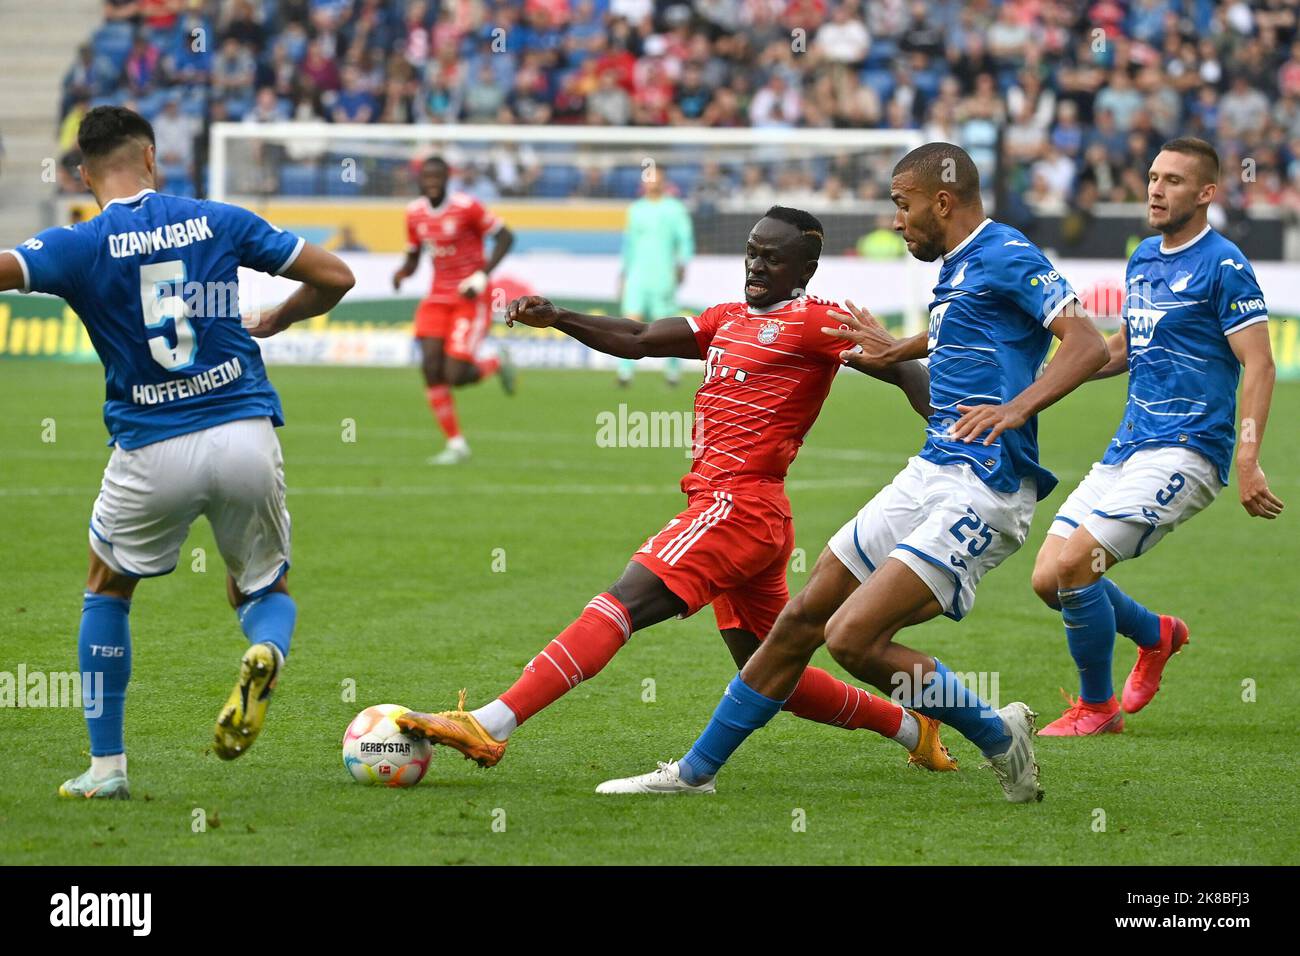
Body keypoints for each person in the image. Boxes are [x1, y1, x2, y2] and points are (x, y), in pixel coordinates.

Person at [598, 143, 1108, 803]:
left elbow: (1087, 343)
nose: (897, 220)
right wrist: (905, 346)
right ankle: (694, 774)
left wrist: (1016, 408)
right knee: (802, 619)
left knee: (853, 638)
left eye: (902, 204)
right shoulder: (960, 266)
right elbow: (978, 328)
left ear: (942, 200)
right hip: (932, 470)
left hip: (987, 486)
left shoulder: (1007, 252)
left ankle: (994, 732)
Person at [397, 206, 958, 775]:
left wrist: (953, 427)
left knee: (625, 598)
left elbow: (902, 370)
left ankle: (491, 723)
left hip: (736, 506)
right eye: (752, 251)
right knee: (770, 672)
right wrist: (559, 316)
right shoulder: (728, 318)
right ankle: (914, 728)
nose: (756, 265)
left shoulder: (820, 322)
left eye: (773, 257)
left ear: (806, 267)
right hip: (749, 518)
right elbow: (639, 337)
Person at [0, 106, 355, 799]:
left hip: (151, 448)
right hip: (244, 434)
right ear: (154, 158)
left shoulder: (78, 244)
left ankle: (107, 770)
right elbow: (336, 276)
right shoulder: (220, 219)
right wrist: (279, 315)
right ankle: (266, 651)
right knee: (261, 587)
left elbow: (6, 270)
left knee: (107, 587)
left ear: (83, 173)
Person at [1030, 137, 1283, 734]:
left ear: (1206, 193)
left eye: (1171, 180)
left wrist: (1248, 459)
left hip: (1188, 451)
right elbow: (1125, 347)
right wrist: (1050, 377)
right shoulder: (1143, 255)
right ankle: (1157, 634)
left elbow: (1261, 363)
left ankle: (1097, 708)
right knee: (1049, 580)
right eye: (1152, 177)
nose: (1155, 189)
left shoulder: (1223, 264)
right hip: (1127, 446)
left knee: (1075, 567)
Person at [393, 155, 516, 465]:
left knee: (456, 374)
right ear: (420, 180)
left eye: (438, 177)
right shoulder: (414, 213)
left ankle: (496, 362)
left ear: (448, 178)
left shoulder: (466, 207)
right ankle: (456, 444)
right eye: (427, 178)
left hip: (469, 297)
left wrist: (482, 274)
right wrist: (402, 273)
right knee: (430, 368)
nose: (432, 183)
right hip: (436, 297)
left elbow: (505, 236)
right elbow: (413, 256)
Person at [617, 164, 694, 387]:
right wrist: (624, 273)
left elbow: (685, 241)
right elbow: (629, 244)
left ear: (664, 181)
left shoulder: (675, 209)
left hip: (663, 274)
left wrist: (682, 265)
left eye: (656, 178)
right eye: (648, 178)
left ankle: (672, 372)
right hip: (638, 274)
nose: (652, 182)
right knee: (630, 321)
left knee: (665, 326)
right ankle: (625, 373)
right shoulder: (635, 209)